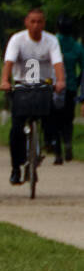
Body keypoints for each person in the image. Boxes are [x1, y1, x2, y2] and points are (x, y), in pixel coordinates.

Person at [0, 7, 66, 185]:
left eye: (40, 22)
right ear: (26, 22)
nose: (36, 25)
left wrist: (60, 81)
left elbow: (58, 63)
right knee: (16, 129)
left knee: (51, 114)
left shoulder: (51, 41)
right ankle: (16, 168)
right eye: (33, 21)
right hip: (22, 88)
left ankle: (50, 142)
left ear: (44, 23)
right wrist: (5, 81)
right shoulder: (17, 40)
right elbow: (9, 62)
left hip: (44, 86)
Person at [52, 14, 83, 163]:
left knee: (55, 119)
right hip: (70, 87)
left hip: (54, 86)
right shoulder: (77, 46)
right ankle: (68, 142)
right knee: (68, 119)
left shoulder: (52, 42)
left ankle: (57, 152)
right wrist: (77, 83)